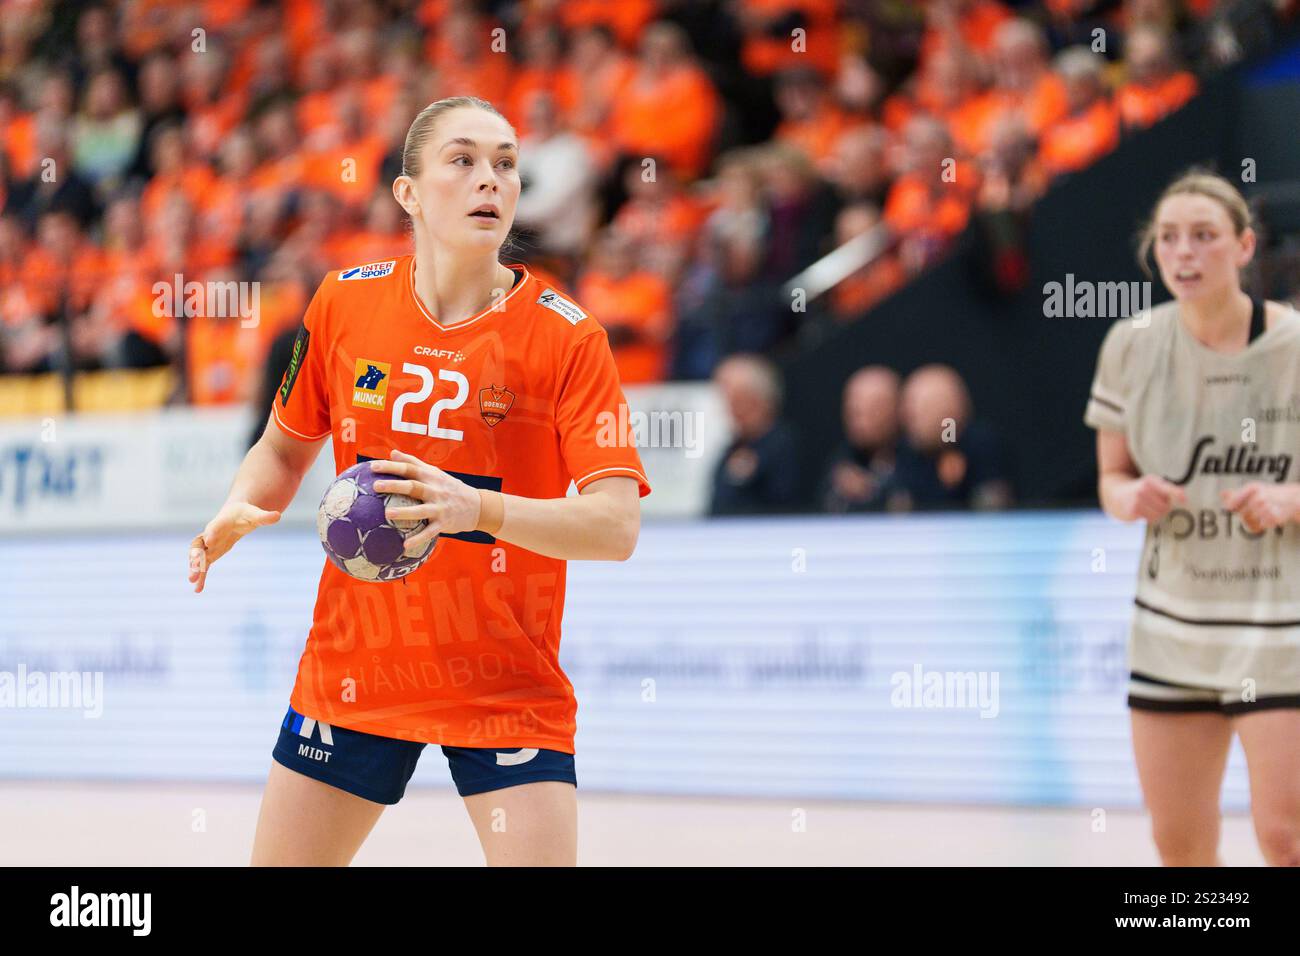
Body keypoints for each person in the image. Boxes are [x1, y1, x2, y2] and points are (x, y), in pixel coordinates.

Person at [187, 96, 650, 867]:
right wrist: (244, 502)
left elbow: (615, 526)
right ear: (408, 192)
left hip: (505, 682)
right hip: (356, 671)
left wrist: (477, 509)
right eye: (463, 161)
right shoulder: (344, 302)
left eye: (506, 164)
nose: (490, 181)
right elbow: (281, 448)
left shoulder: (569, 338)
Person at [1084, 169, 1300, 867]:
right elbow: (1111, 481)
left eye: (1204, 237)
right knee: (1178, 844)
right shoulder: (1130, 344)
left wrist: (1291, 500)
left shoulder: (1295, 345)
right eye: (1169, 238)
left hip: (1280, 626)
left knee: (1285, 837)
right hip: (1170, 629)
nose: (1184, 253)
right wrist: (1129, 498)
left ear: (1243, 247)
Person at [889, 364, 1013, 511]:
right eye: (907, 406)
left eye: (921, 407)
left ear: (948, 407)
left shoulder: (975, 442)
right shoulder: (906, 449)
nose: (907, 416)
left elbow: (993, 503)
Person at [708, 353, 800, 515]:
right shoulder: (733, 446)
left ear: (756, 399)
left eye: (735, 400)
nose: (729, 409)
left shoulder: (784, 446)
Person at [820, 365, 901, 513]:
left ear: (896, 408)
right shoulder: (843, 456)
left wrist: (872, 491)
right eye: (854, 411)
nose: (859, 421)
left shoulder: (915, 456)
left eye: (873, 410)